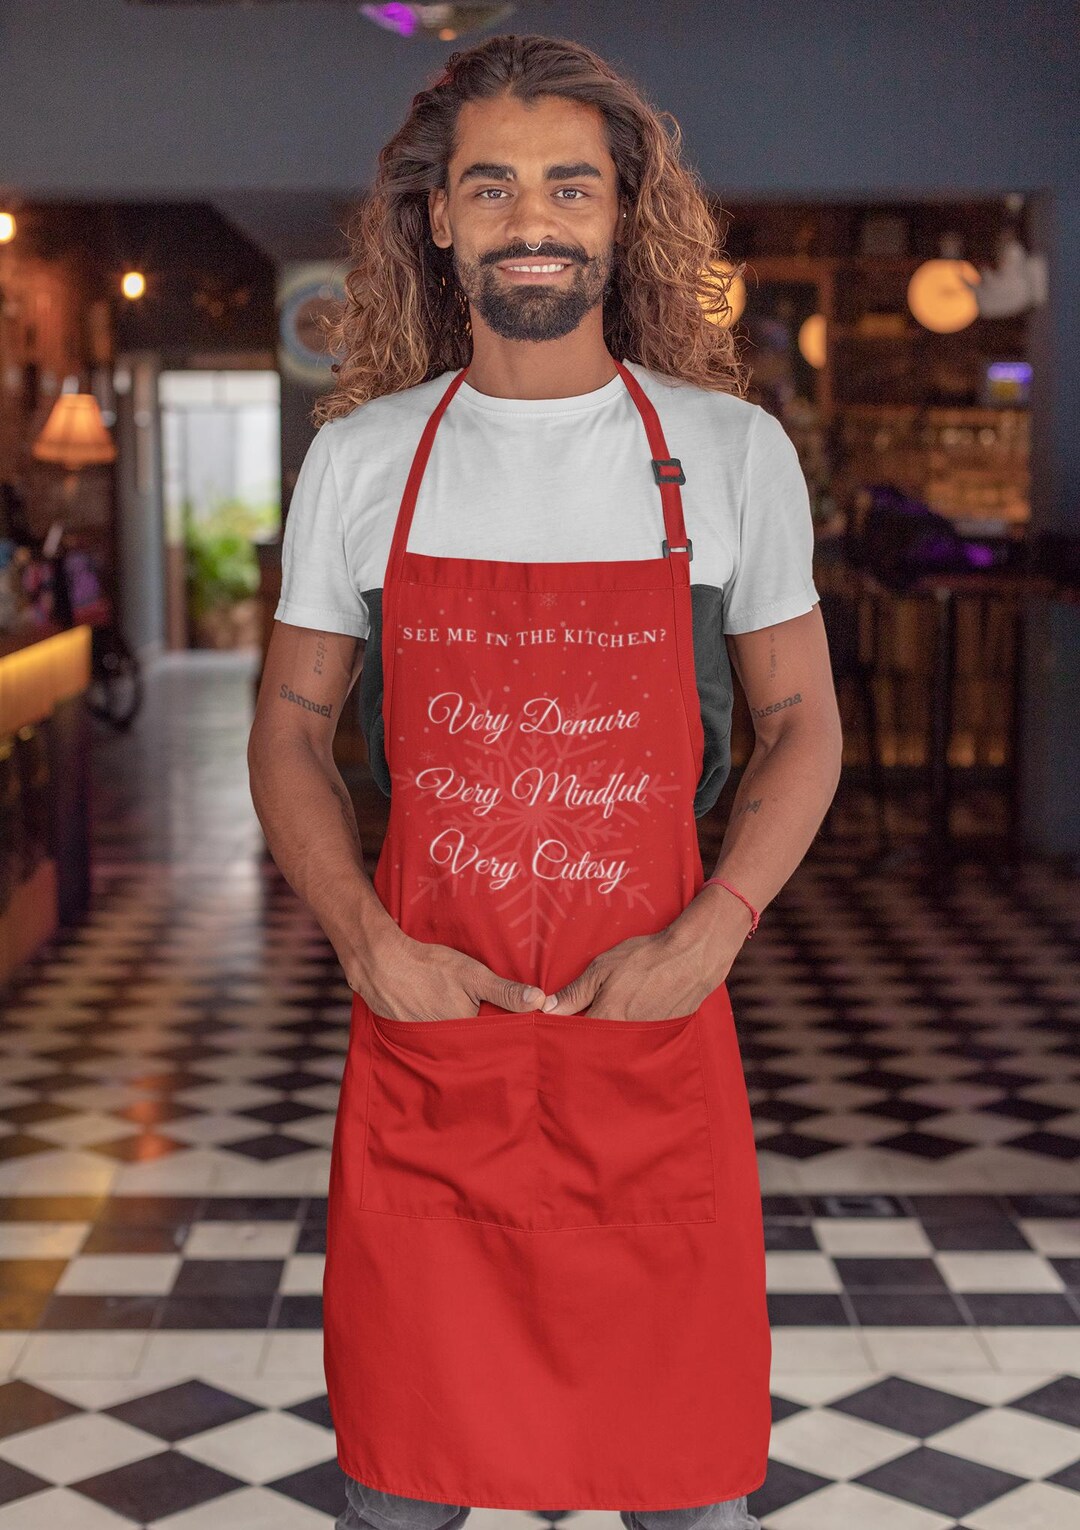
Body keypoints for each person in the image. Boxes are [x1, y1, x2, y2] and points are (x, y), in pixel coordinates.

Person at [248, 32, 842, 1530]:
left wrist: (712, 931)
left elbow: (804, 722)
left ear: (619, 212)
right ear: (437, 216)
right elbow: (287, 726)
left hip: (648, 1037)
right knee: (399, 1489)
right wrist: (365, 939)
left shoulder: (726, 454)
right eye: (492, 185)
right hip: (429, 1035)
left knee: (687, 1492)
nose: (532, 218)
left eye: (569, 185)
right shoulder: (366, 460)